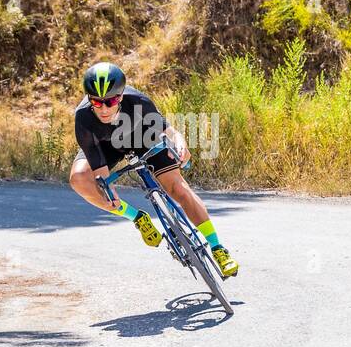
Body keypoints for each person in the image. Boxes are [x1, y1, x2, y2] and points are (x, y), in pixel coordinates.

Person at [68, 61, 239, 278]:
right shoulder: (83, 116)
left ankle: (217, 248)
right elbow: (97, 162)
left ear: (119, 96)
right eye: (96, 102)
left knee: (178, 188)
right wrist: (108, 191)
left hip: (142, 136)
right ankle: (137, 217)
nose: (103, 108)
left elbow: (168, 130)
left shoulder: (137, 100)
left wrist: (180, 144)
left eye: (110, 101)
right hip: (104, 147)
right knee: (79, 178)